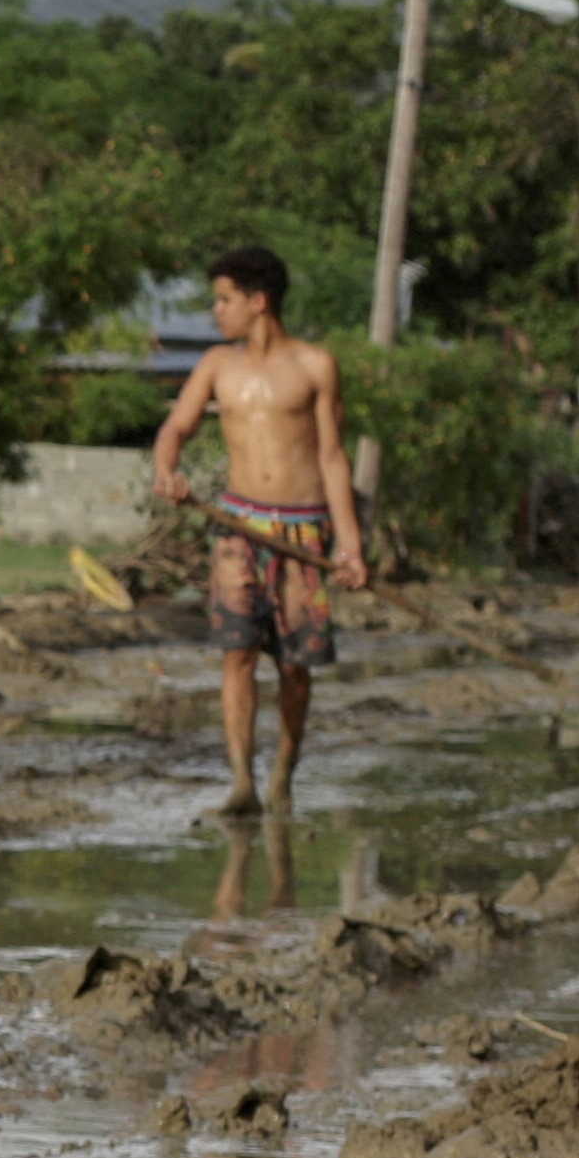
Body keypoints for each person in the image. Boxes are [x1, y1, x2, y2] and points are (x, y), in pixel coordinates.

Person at [146, 241, 366, 815]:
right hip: (238, 529)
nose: (216, 311)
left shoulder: (316, 366)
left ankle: (282, 777)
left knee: (295, 664)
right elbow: (176, 427)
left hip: (303, 533)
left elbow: (333, 458)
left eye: (224, 300)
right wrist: (166, 470)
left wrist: (351, 546)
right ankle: (242, 782)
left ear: (258, 301)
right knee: (236, 655)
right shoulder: (218, 365)